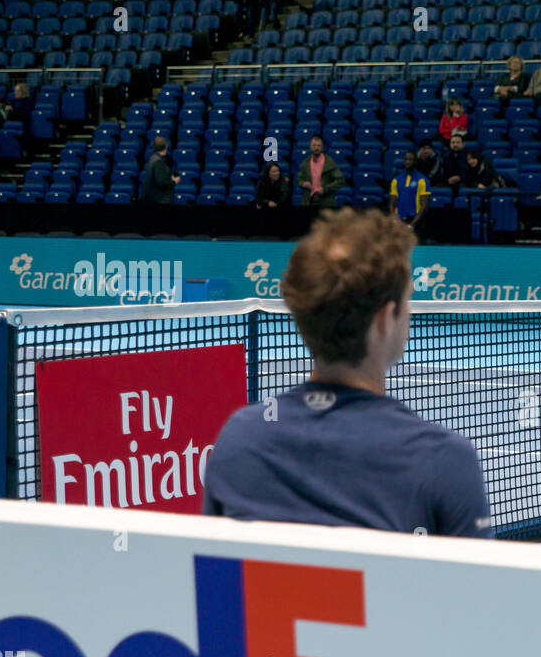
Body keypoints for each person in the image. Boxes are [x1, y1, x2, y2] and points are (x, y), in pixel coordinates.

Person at [203, 208, 492, 537]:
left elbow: (215, 576)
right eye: (407, 301)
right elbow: (475, 588)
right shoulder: (445, 460)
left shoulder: (240, 439)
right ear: (385, 319)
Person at [297, 135, 343, 207]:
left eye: (319, 146)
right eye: (314, 145)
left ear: (322, 147)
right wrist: (303, 184)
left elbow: (340, 180)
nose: (316, 148)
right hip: (308, 201)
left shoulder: (329, 162)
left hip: (326, 201)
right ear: (310, 147)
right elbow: (299, 180)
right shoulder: (305, 162)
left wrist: (325, 189)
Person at [389, 150, 430, 228]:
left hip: (416, 220)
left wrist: (412, 225)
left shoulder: (422, 180)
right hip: (399, 220)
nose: (408, 162)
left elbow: (424, 205)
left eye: (410, 160)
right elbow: (392, 204)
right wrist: (394, 220)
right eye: (406, 159)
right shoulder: (396, 180)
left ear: (415, 162)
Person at [138, 135, 179, 204]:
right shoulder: (158, 162)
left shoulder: (152, 158)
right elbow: (161, 182)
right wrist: (174, 182)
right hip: (158, 201)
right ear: (166, 146)